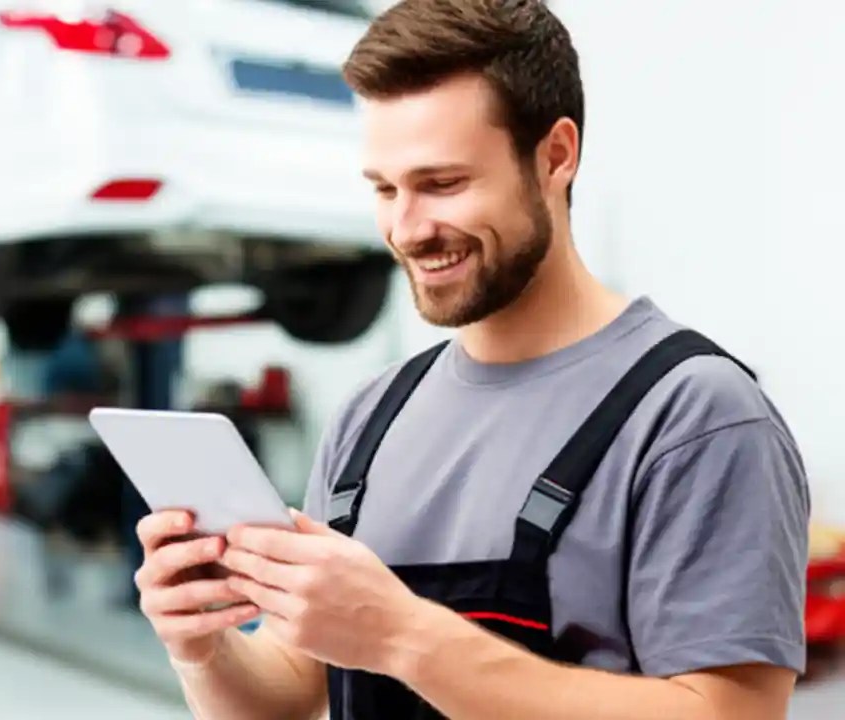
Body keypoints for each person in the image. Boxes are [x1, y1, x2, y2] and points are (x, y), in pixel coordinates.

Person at [132, 1, 811, 718]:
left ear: (555, 156)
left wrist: (403, 636)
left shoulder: (694, 416)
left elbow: (726, 714)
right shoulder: (370, 418)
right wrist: (201, 646)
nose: (407, 228)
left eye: (443, 184)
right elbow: (289, 693)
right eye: (385, 189)